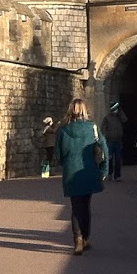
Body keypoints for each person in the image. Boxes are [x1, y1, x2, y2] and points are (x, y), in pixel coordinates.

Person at [55, 98, 106, 254]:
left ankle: (77, 239)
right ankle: (85, 238)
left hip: (71, 172)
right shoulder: (93, 128)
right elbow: (104, 149)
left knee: (76, 207)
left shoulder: (63, 130)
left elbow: (58, 155)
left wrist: (67, 163)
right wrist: (103, 170)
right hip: (88, 171)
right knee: (86, 206)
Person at [101, 102, 127, 181]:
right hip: (110, 141)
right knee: (109, 158)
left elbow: (125, 119)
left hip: (118, 141)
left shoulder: (119, 117)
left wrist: (121, 112)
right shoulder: (107, 118)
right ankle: (110, 173)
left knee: (118, 159)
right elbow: (103, 128)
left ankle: (117, 176)